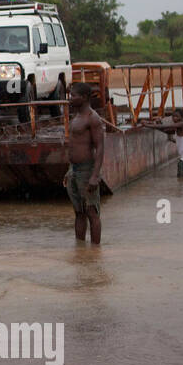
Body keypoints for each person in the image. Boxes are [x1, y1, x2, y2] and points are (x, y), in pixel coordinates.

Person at [65, 81, 104, 244]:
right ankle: (80, 251)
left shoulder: (92, 118)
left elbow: (100, 147)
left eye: (73, 96)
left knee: (91, 211)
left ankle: (95, 253)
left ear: (85, 97)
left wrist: (95, 176)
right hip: (74, 170)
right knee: (78, 212)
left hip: (87, 170)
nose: (70, 99)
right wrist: (69, 171)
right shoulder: (76, 116)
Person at [150, 109, 183, 177]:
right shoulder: (178, 127)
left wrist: (147, 125)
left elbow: (166, 127)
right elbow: (166, 130)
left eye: (176, 116)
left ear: (181, 118)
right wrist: (158, 124)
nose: (174, 118)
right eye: (173, 116)